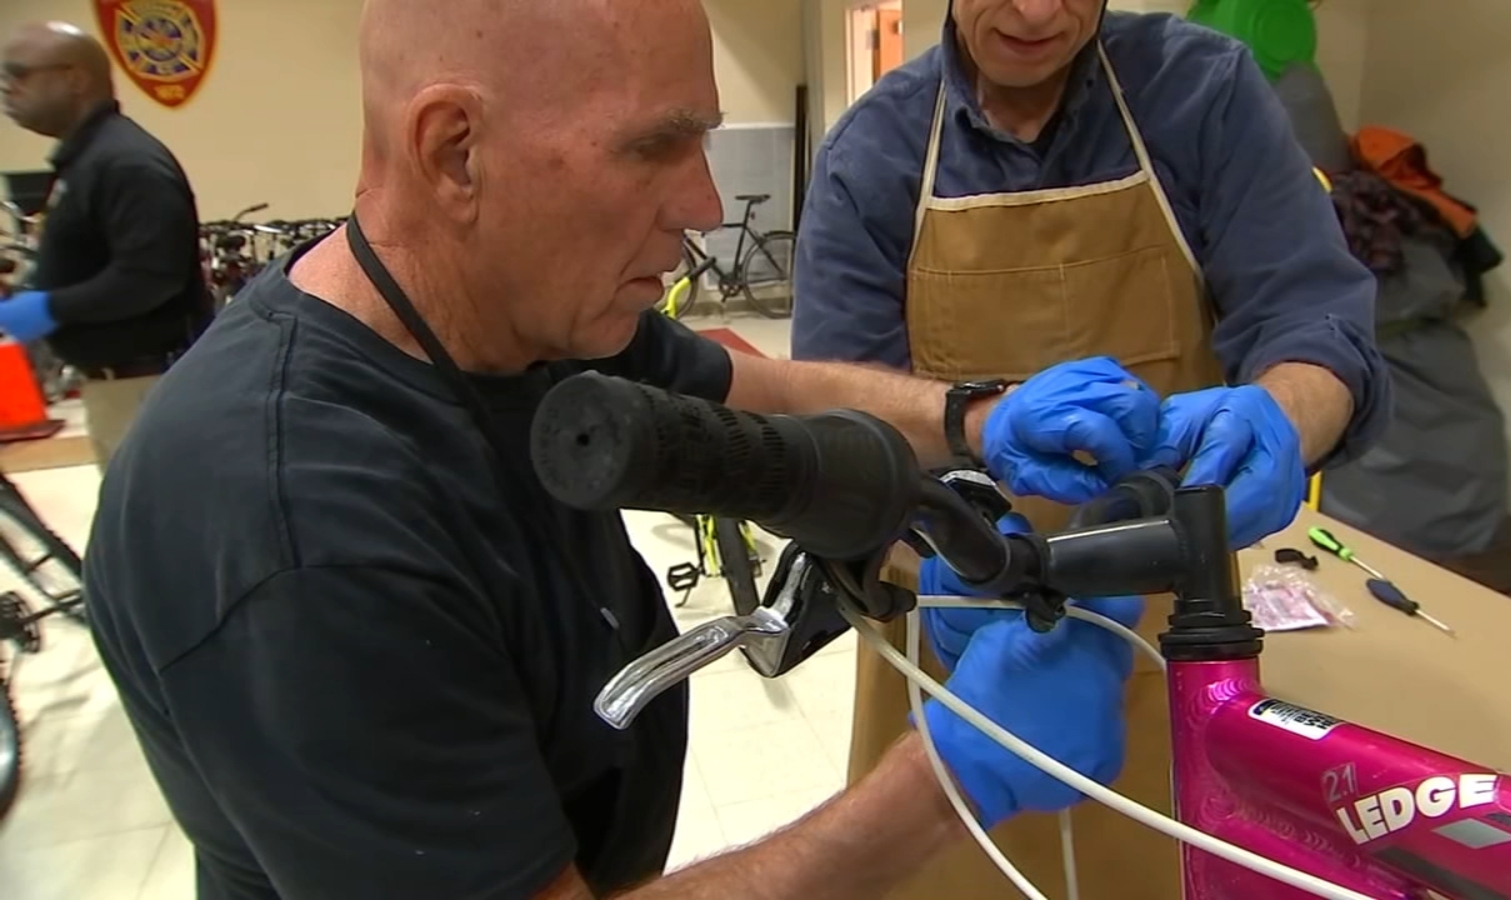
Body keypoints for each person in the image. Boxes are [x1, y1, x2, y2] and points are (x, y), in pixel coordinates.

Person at [84, 2, 1154, 898]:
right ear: (454, 150)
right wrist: (956, 775)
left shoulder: (520, 309)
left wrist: (977, 418)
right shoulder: (300, 534)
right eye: (653, 146)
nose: (704, 203)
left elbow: (758, 383)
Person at [790, 2, 1392, 897]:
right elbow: (835, 446)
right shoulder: (870, 154)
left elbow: (1317, 322)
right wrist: (935, 564)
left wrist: (1282, 415)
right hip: (955, 655)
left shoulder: (1204, 96)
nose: (1037, 11)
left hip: (1165, 640)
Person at [0, 22, 210, 469]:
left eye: (19, 74)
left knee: (159, 527)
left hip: (144, 384)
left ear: (75, 78)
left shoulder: (125, 162)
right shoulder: (89, 159)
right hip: (118, 385)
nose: (7, 89)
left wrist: (51, 307)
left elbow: (150, 276)